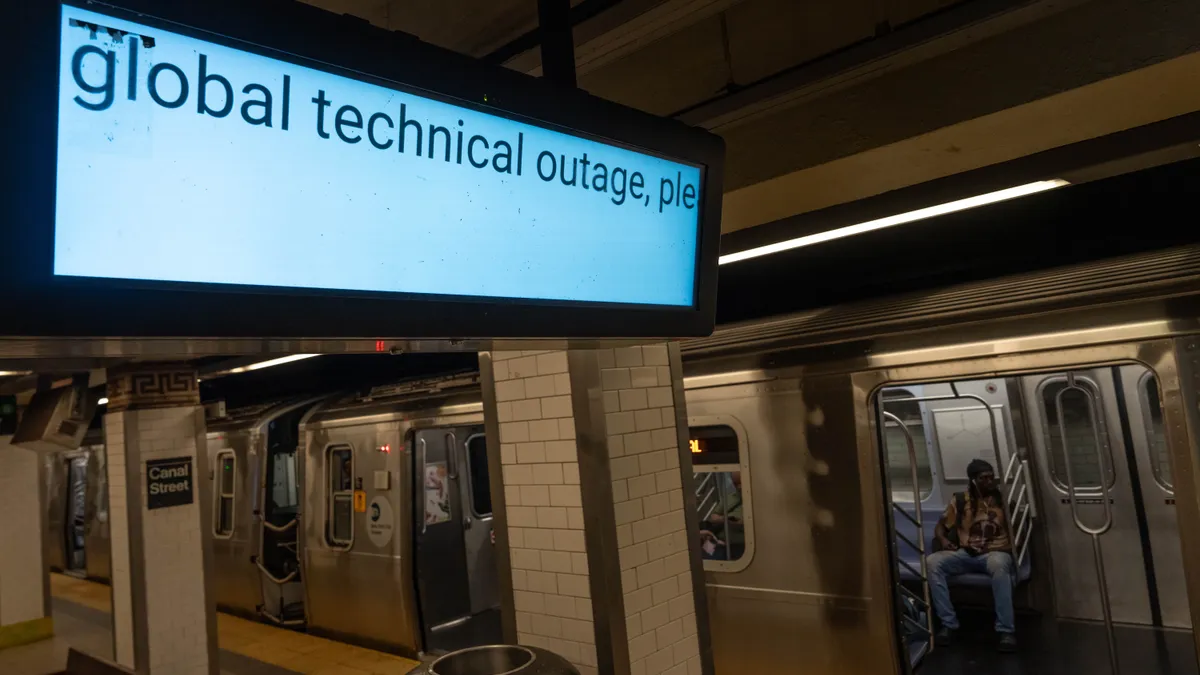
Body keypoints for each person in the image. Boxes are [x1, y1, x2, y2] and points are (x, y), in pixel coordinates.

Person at [927, 459, 1017, 653]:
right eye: (983, 478)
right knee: (933, 562)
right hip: (965, 554)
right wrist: (944, 542)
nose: (989, 481)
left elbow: (1017, 534)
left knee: (999, 566)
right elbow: (941, 527)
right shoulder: (960, 501)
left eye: (991, 477)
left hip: (996, 552)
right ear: (973, 480)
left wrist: (1007, 548)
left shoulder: (1003, 502)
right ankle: (949, 624)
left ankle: (1006, 630)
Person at [699, 472, 744, 560]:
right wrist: (722, 519)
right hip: (719, 539)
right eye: (735, 483)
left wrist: (738, 524)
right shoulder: (729, 498)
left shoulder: (756, 501)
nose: (739, 487)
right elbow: (713, 515)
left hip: (739, 543)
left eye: (741, 483)